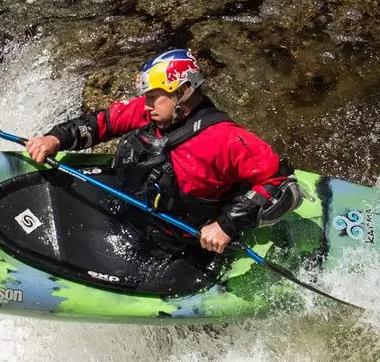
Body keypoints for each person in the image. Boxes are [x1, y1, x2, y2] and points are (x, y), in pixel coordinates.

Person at [24, 49, 300, 255]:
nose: (146, 105)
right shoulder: (152, 114)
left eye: (155, 96)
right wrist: (56, 138)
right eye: (146, 97)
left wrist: (226, 226)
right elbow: (103, 123)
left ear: (184, 91)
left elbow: (278, 180)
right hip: (129, 209)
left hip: (177, 242)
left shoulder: (225, 139)